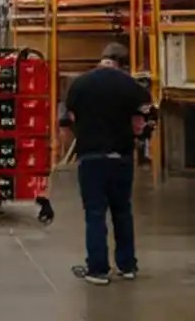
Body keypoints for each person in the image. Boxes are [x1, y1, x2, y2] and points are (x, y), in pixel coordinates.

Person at [59, 41, 152, 286]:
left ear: (103, 58)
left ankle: (98, 270)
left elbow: (67, 119)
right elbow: (145, 120)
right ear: (123, 64)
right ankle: (127, 265)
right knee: (123, 212)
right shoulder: (132, 86)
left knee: (95, 214)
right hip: (121, 158)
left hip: (91, 158)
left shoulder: (80, 84)